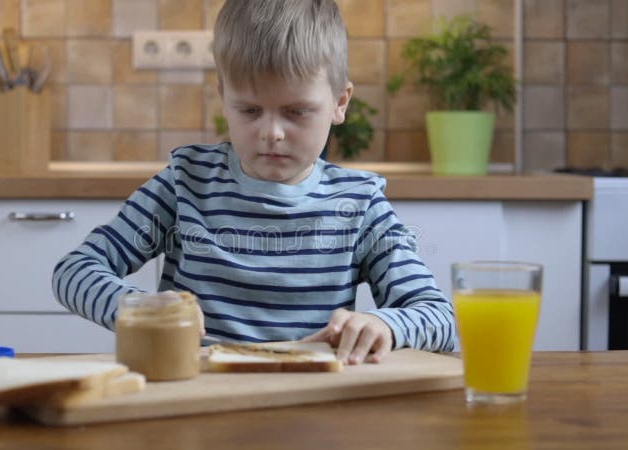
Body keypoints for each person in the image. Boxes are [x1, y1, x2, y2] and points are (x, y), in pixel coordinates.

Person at [52, 0, 455, 365]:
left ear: (339, 103)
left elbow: (440, 318)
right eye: (248, 110)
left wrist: (383, 324)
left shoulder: (360, 204)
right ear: (223, 96)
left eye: (297, 112)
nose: (271, 133)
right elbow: (75, 271)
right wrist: (138, 308)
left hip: (308, 412)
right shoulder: (184, 183)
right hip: (197, 402)